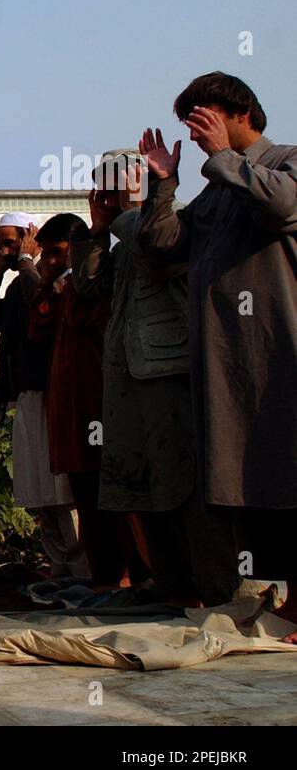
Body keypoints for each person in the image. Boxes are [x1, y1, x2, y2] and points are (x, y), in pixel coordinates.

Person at [138, 72, 297, 631]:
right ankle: (273, 598)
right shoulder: (216, 188)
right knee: (245, 482)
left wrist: (226, 159)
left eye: (202, 117)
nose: (196, 132)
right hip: (229, 366)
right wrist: (163, 184)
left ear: (239, 111)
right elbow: (163, 246)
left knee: (288, 472)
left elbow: (282, 210)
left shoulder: (284, 163)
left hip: (279, 357)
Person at [72, 151, 239, 606]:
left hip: (171, 373)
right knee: (144, 486)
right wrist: (97, 232)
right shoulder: (125, 234)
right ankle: (173, 584)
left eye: (115, 187)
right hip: (129, 378)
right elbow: (89, 287)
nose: (107, 197)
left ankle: (215, 588)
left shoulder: (174, 226)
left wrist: (129, 214)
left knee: (184, 486)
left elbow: (160, 259)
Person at [29, 212, 145, 590]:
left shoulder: (94, 283)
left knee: (113, 493)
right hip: (70, 408)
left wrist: (65, 287)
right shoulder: (57, 288)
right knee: (86, 492)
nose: (49, 261)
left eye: (57, 253)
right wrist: (45, 287)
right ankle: (106, 575)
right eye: (45, 254)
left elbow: (90, 321)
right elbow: (37, 331)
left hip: (100, 401)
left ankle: (133, 573)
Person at [0, 213, 85, 578]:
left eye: (12, 242)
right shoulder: (16, 284)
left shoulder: (51, 278)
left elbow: (43, 297)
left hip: (57, 393)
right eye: (1, 244)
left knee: (63, 486)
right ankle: (62, 566)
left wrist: (26, 261)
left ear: (31, 239)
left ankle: (85, 568)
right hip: (26, 395)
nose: (6, 250)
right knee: (39, 487)